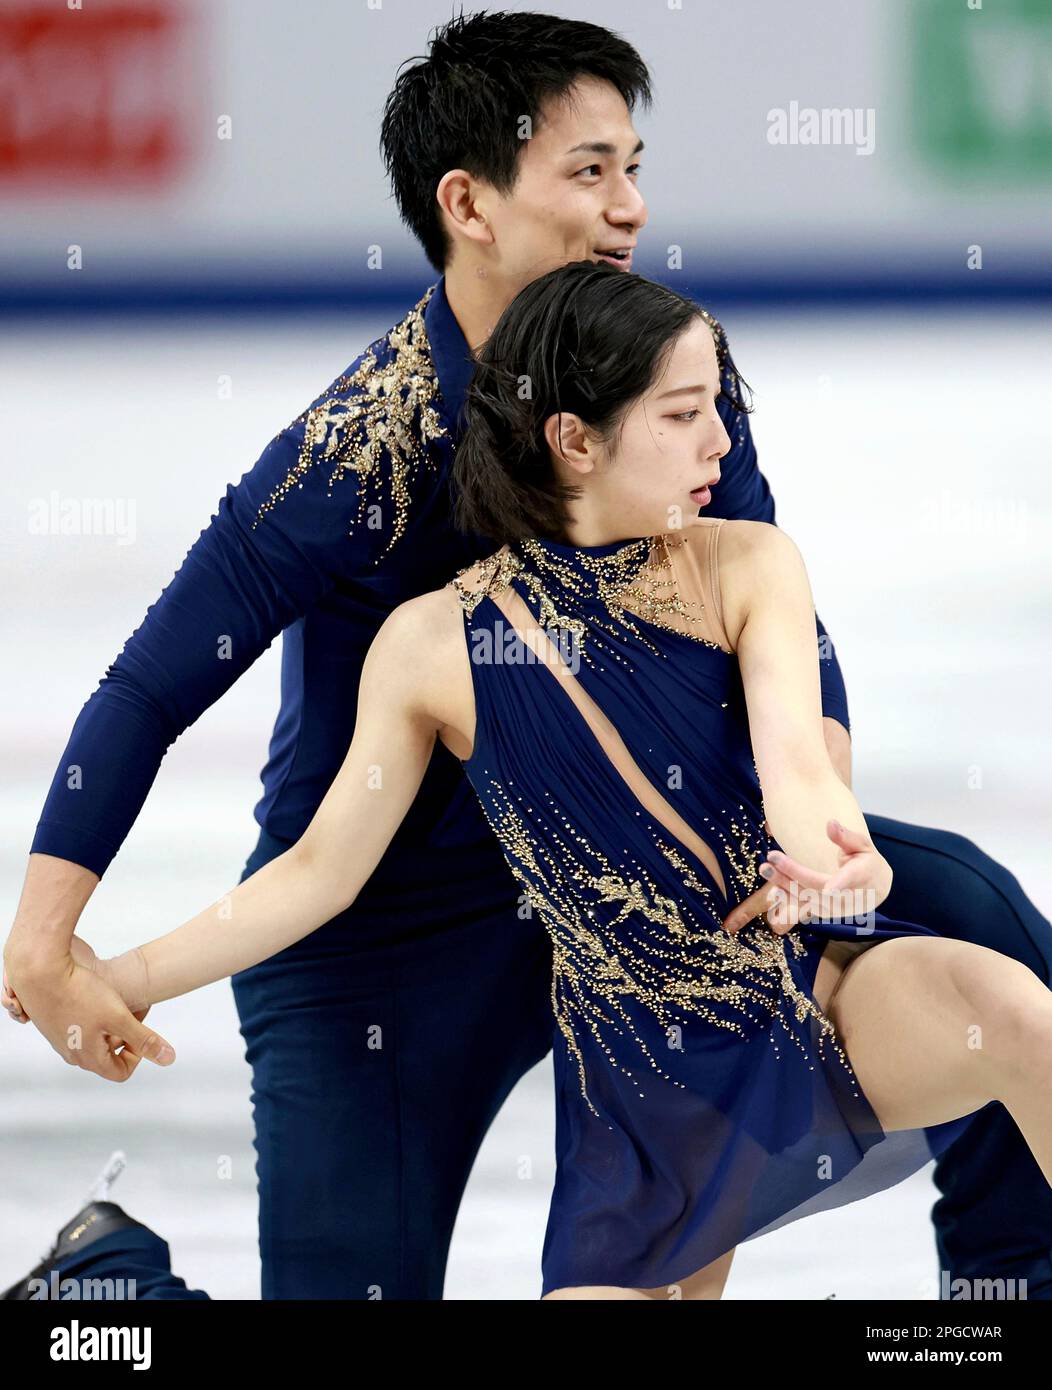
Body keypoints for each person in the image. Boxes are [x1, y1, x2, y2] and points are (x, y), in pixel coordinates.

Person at [3, 10, 1050, 1301]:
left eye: (633, 165)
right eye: (591, 169)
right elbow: (154, 683)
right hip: (390, 922)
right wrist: (53, 942)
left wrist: (812, 828)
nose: (630, 204)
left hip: (637, 879)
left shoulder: (660, 366)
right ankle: (106, 1290)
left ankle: (1013, 1281)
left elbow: (780, 636)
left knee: (967, 903)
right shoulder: (356, 455)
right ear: (471, 202)